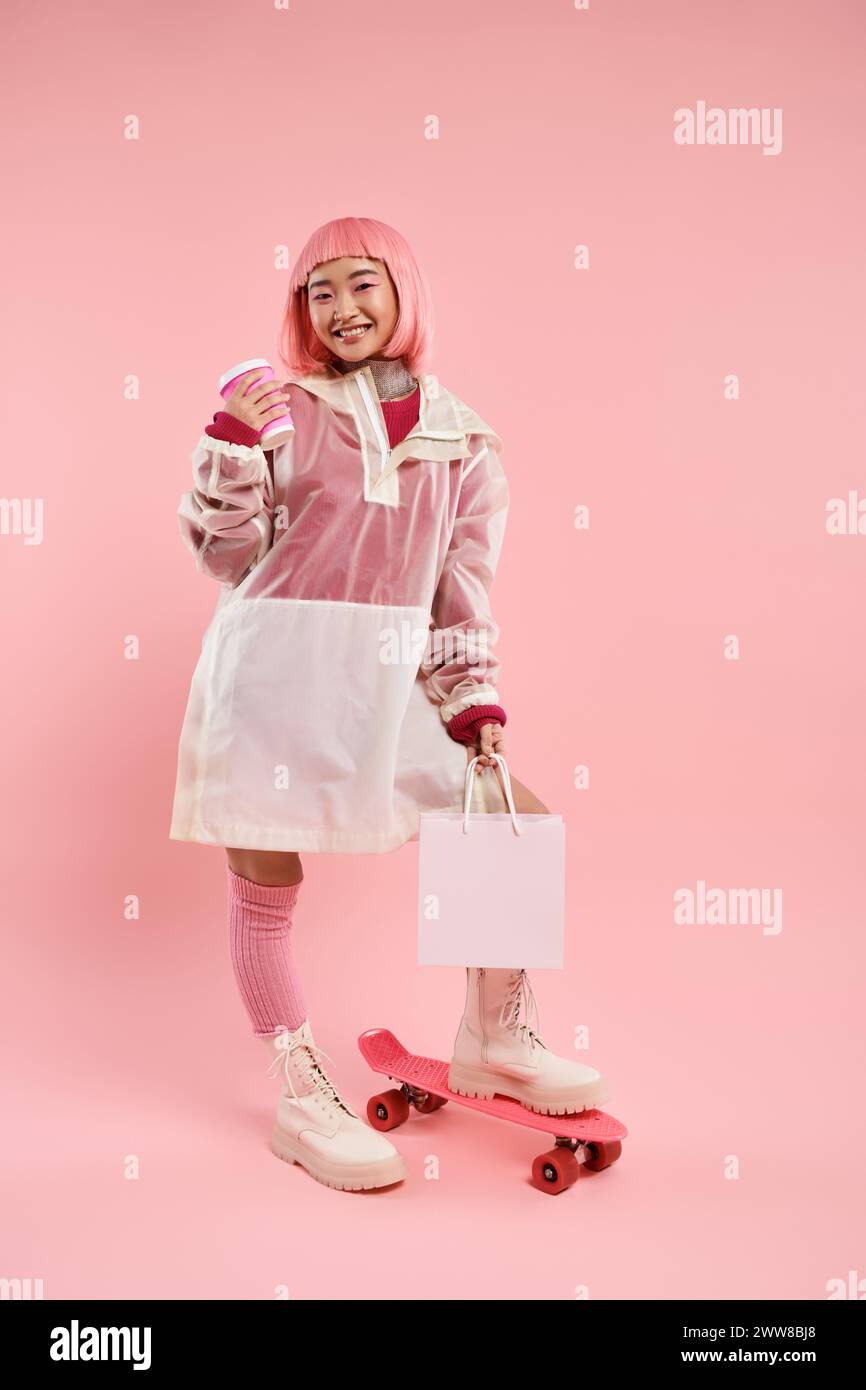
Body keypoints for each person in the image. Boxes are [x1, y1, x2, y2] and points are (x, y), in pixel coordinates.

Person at [169, 216, 608, 1192]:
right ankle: (299, 1089)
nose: (340, 307)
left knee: (511, 825)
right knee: (266, 877)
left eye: (360, 282)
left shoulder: (462, 437)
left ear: (402, 292)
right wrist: (234, 447)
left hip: (385, 678)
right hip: (270, 676)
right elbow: (226, 558)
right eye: (316, 291)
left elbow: (460, 585)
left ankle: (491, 1033)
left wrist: (470, 702)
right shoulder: (280, 407)